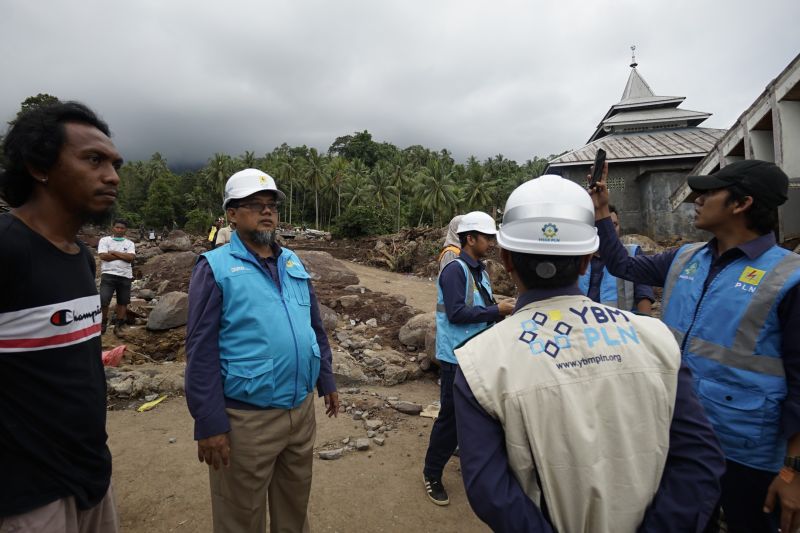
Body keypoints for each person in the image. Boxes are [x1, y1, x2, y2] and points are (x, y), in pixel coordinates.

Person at [453, 175, 724, 532]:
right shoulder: (657, 339)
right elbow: (699, 459)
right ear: (585, 260)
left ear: (506, 259)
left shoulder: (479, 363)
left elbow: (491, 490)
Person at [590, 159, 800, 533]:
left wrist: (793, 470)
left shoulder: (788, 278)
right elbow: (622, 264)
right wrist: (602, 210)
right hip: (680, 434)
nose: (696, 201)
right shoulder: (686, 258)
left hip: (747, 452)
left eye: (708, 193)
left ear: (742, 204)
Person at [185, 168, 339, 533]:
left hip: (300, 413)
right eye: (254, 205)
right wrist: (209, 422)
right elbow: (200, 349)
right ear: (232, 215)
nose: (267, 211)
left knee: (293, 508)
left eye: (271, 205)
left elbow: (312, 325)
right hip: (246, 420)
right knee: (241, 516)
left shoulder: (292, 262)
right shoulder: (215, 268)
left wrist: (327, 378)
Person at [0, 102, 122, 531]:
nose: (112, 175)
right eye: (93, 160)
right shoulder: (7, 246)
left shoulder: (80, 256)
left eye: (114, 163)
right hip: (28, 491)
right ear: (39, 166)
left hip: (90, 470)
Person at [422, 211, 515, 506]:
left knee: (474, 413)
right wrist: (497, 310)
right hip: (456, 356)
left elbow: (483, 305)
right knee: (449, 416)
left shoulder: (479, 270)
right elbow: (456, 313)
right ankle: (431, 473)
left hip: (476, 352)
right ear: (470, 239)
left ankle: (460, 454)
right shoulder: (455, 270)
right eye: (486, 237)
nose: (490, 243)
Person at [577, 204, 654, 314]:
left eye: (614, 225)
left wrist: (644, 326)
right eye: (603, 225)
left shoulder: (632, 253)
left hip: (620, 326)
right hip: (582, 323)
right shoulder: (577, 256)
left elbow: (644, 294)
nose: (610, 230)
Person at [98, 218, 136, 335]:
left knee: (123, 301)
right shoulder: (105, 240)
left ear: (126, 230)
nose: (119, 230)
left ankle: (118, 325)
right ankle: (103, 323)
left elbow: (131, 258)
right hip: (108, 274)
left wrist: (113, 252)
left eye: (122, 228)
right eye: (117, 227)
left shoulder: (129, 243)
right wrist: (123, 256)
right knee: (104, 300)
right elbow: (103, 256)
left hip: (125, 275)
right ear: (113, 228)